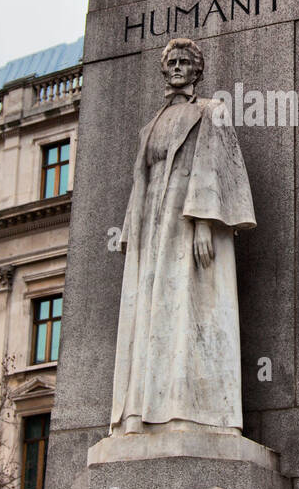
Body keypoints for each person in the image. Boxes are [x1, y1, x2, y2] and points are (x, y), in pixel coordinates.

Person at [110, 38, 256, 434]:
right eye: (171, 62)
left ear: (197, 70)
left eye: (184, 62)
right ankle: (141, 412)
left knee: (188, 314)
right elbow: (140, 182)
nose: (176, 67)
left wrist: (205, 221)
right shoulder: (149, 127)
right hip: (152, 228)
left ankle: (188, 411)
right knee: (151, 318)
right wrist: (132, 235)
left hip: (187, 221)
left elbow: (215, 167)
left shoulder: (213, 112)